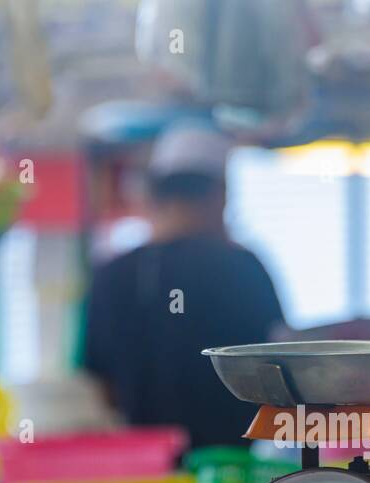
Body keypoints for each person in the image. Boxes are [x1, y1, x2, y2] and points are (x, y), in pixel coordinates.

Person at [82, 123, 285, 449]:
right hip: (229, 469)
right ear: (219, 194)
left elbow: (98, 381)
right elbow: (278, 370)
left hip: (143, 469)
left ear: (155, 195)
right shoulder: (243, 269)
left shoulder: (112, 274)